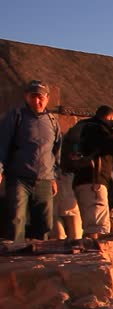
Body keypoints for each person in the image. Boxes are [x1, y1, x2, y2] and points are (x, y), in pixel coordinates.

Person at [0, 80, 61, 243]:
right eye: (33, 96)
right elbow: (3, 143)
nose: (37, 101)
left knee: (44, 224)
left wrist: (54, 176)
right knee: (16, 220)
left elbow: (55, 152)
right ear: (26, 97)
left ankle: (39, 263)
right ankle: (13, 262)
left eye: (40, 97)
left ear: (47, 98)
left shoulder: (52, 121)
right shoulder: (16, 116)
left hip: (44, 181)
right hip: (19, 178)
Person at [75, 105, 113, 239]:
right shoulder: (97, 130)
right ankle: (92, 257)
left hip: (84, 181)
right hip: (94, 182)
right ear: (108, 117)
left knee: (93, 224)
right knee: (97, 227)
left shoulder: (84, 127)